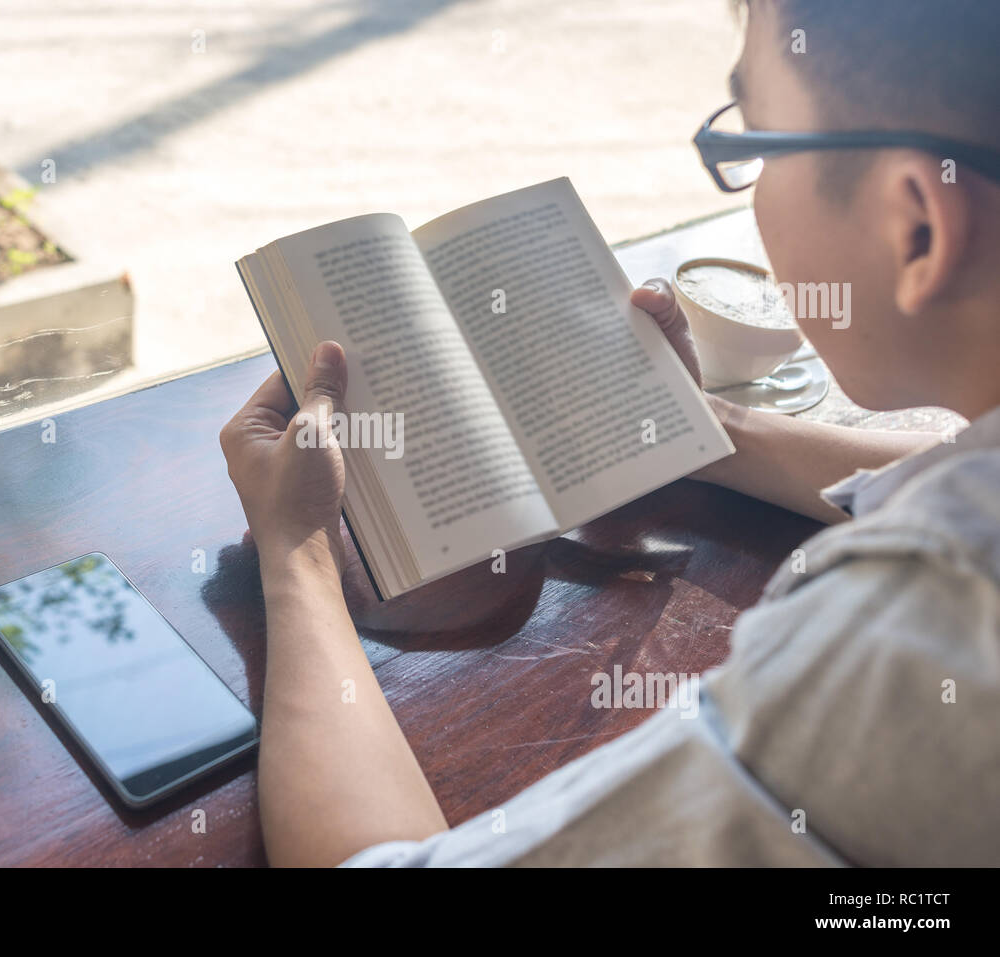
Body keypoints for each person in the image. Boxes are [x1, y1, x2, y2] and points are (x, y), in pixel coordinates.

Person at [218, 0, 1000, 866]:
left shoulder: (894, 646)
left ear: (919, 227)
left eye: (757, 145)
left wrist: (297, 553)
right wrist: (713, 430)